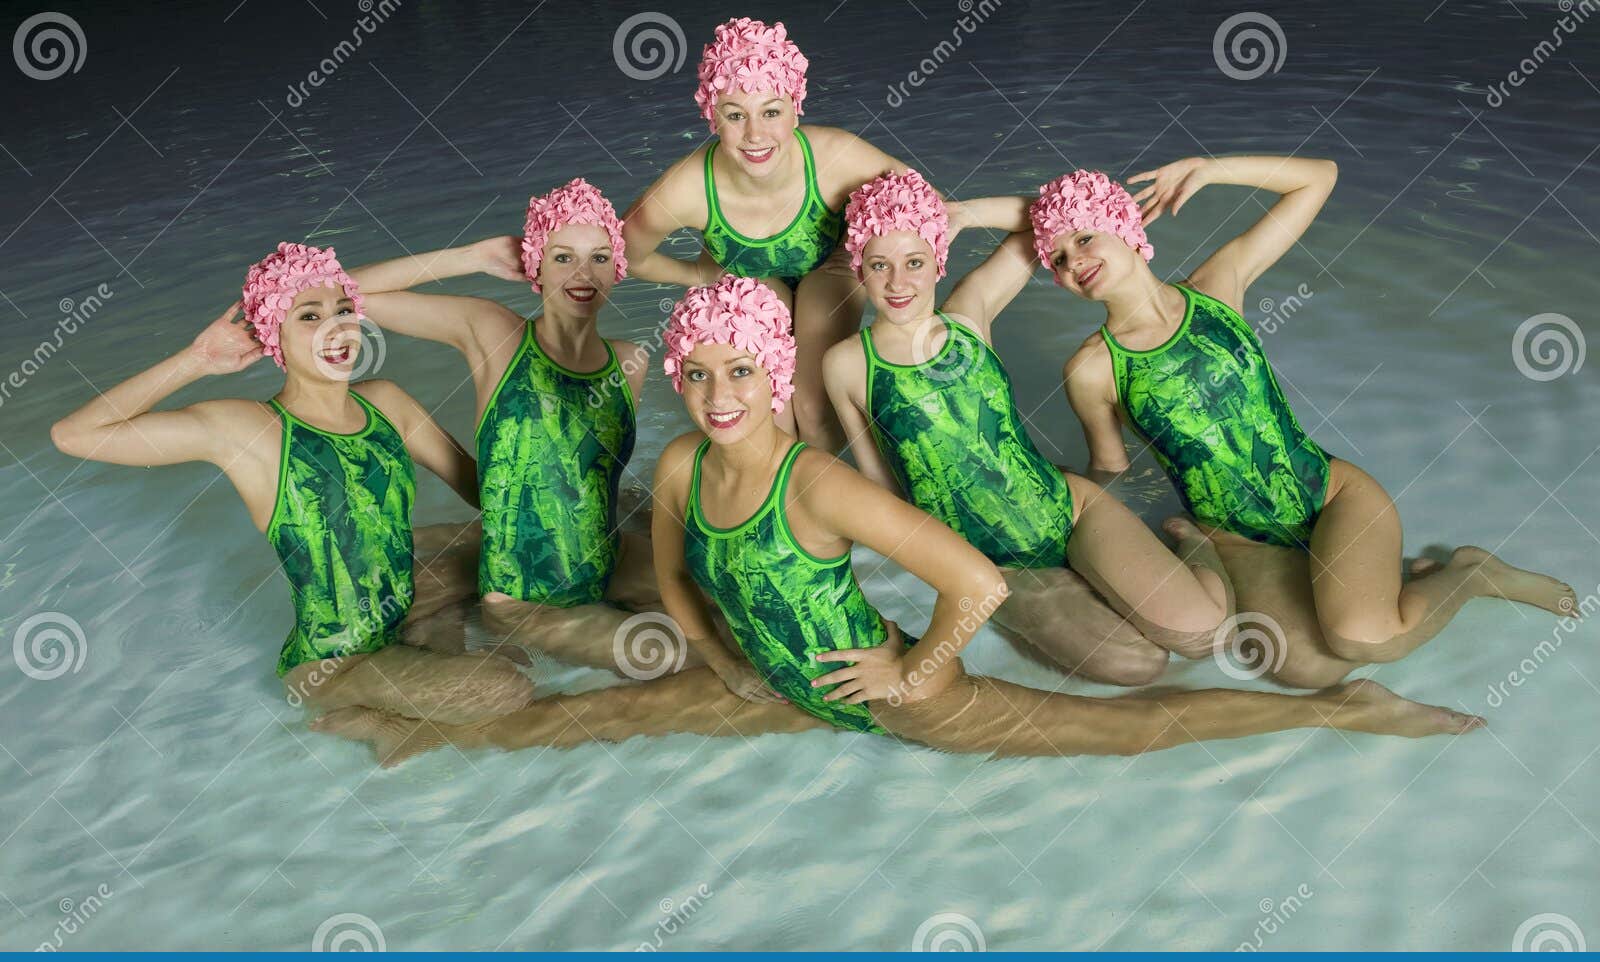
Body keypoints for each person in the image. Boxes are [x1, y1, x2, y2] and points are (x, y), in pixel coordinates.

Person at [314, 276, 1484, 766]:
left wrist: (914, 667)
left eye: (739, 373)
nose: (716, 396)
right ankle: (403, 731)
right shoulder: (676, 463)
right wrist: (725, 656)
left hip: (906, 703)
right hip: (778, 686)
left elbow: (976, 579)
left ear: (776, 376)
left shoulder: (820, 487)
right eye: (698, 374)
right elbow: (673, 579)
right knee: (597, 717)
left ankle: (1340, 707)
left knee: (1132, 730)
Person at [1045, 159, 1577, 664]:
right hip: (1237, 539)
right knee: (1302, 666)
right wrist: (1101, 546)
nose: (1074, 262)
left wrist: (1207, 171)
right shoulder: (1091, 369)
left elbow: (1319, 178)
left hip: (1329, 495)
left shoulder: (1217, 287)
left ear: (1125, 225)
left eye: (1084, 238)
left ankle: (1470, 574)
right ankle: (1406, 576)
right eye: (1058, 259)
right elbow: (1111, 468)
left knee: (1363, 641)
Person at [50, 243, 533, 723]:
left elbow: (483, 492)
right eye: (309, 317)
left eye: (344, 311)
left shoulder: (386, 403)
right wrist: (197, 360)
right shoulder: (251, 431)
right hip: (335, 664)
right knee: (502, 687)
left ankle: (401, 713)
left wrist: (543, 439)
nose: (335, 329)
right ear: (271, 334)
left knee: (482, 560)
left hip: (402, 616)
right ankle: (360, 718)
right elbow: (75, 435)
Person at [824, 170, 1232, 685]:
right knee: (1139, 664)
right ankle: (1065, 595)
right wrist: (958, 579)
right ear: (859, 266)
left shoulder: (969, 314)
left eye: (914, 262)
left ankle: (1197, 541)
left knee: (1205, 637)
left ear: (938, 259)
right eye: (879, 265)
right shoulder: (845, 364)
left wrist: (960, 214)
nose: (897, 283)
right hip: (997, 565)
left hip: (1070, 508)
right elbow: (882, 492)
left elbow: (1044, 220)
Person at [621, 17, 1017, 453]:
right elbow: (626, 253)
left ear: (795, 106)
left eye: (771, 111)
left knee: (812, 408)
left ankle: (824, 486)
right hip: (748, 278)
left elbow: (923, 206)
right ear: (711, 115)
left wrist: (873, 250)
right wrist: (697, 274)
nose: (755, 135)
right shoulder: (685, 189)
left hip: (831, 267)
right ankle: (777, 486)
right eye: (735, 115)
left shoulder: (834, 155)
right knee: (773, 416)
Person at [348, 179, 677, 673]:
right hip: (523, 599)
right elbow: (338, 291)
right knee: (674, 658)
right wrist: (473, 257)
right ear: (535, 267)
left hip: (609, 566)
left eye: (599, 257)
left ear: (618, 268)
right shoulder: (494, 333)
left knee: (731, 609)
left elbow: (586, 484)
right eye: (563, 257)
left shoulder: (630, 361)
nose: (583, 274)